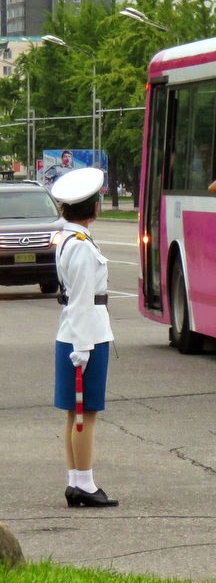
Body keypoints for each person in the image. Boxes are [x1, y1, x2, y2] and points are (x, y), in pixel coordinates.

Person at [50, 167, 118, 508]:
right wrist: (82, 348)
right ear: (91, 207)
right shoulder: (79, 246)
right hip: (85, 336)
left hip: (78, 334)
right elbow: (80, 300)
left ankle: (76, 481)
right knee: (84, 414)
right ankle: (85, 483)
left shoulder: (70, 239)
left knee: (75, 415)